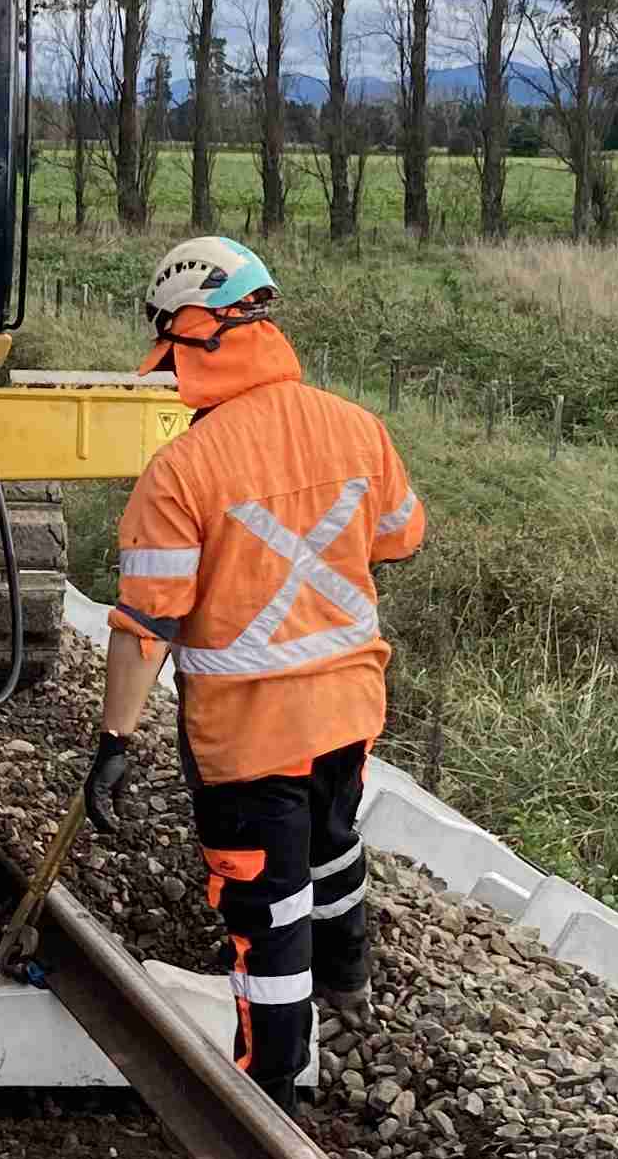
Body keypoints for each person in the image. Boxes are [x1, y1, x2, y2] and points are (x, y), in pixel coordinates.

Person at [83, 238, 423, 1110]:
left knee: (265, 908)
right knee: (333, 839)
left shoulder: (180, 471)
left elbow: (143, 628)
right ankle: (348, 979)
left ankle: (276, 1090)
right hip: (350, 704)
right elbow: (400, 537)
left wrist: (114, 741)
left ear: (188, 341)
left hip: (249, 735)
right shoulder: (357, 426)